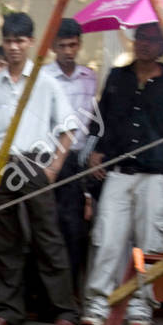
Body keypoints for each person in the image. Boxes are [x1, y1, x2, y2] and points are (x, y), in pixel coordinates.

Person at [0, 13, 79, 325]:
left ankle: (65, 311)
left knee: (48, 237)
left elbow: (68, 127)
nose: (14, 47)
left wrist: (55, 165)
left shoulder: (45, 82)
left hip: (34, 164)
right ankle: (10, 310)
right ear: (3, 43)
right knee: (5, 241)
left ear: (30, 42)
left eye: (20, 41)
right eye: (9, 41)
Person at [81, 23, 163, 325]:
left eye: (152, 39)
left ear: (162, 46)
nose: (145, 44)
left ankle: (141, 305)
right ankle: (98, 302)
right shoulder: (118, 77)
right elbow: (100, 119)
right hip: (118, 171)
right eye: (141, 37)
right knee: (108, 240)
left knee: (148, 244)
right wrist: (93, 151)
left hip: (154, 176)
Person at [48, 19, 100, 304]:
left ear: (79, 44)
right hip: (48, 156)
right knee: (48, 226)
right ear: (54, 47)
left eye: (73, 45)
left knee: (75, 229)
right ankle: (47, 297)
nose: (68, 51)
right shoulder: (43, 76)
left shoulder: (89, 77)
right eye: (62, 45)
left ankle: (73, 295)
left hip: (78, 159)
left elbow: (92, 121)